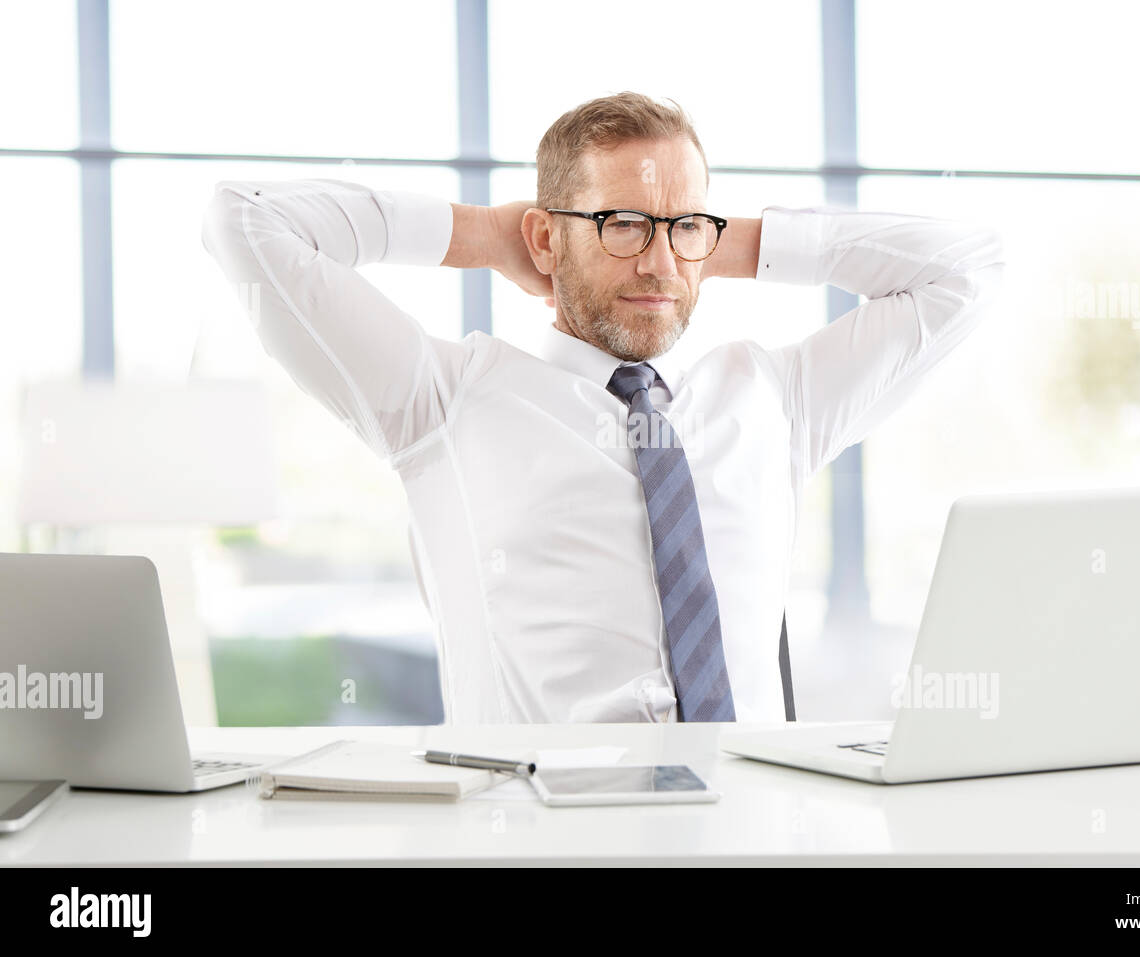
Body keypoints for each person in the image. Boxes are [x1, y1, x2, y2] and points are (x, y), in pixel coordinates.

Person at [200, 91, 1004, 724]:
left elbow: (969, 269)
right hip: (547, 840)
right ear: (547, 240)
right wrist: (485, 234)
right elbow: (244, 218)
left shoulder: (776, 398)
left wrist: (727, 242)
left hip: (760, 836)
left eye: (683, 225)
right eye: (621, 223)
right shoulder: (440, 399)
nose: (658, 261)